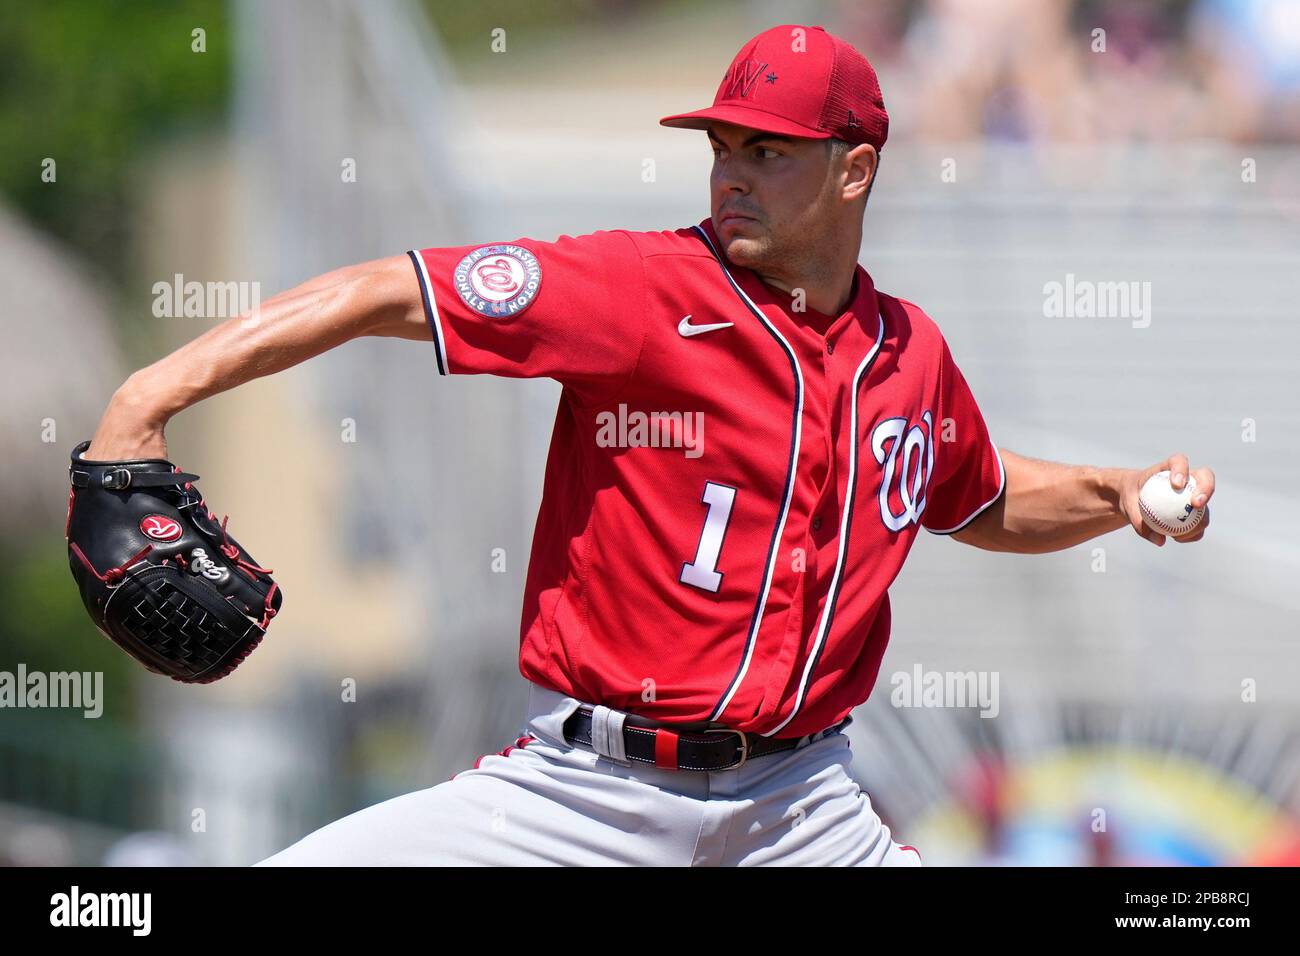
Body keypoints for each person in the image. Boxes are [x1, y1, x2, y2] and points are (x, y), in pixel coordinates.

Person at [86, 24, 1215, 866]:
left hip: (802, 808)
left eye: (768, 150)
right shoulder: (639, 290)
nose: (730, 168)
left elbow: (974, 496)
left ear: (854, 169)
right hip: (584, 795)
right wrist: (149, 394)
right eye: (723, 142)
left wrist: (1113, 491)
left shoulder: (906, 354)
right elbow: (386, 291)